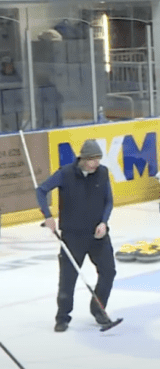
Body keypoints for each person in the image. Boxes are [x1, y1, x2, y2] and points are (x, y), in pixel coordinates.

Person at [35, 139, 116, 332]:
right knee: (68, 278)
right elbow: (41, 190)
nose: (96, 163)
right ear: (83, 158)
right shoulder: (66, 174)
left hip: (98, 235)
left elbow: (109, 201)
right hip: (73, 237)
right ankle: (63, 317)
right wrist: (48, 216)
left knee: (109, 272)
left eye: (98, 159)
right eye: (92, 159)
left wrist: (104, 222)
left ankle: (99, 310)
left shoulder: (103, 173)